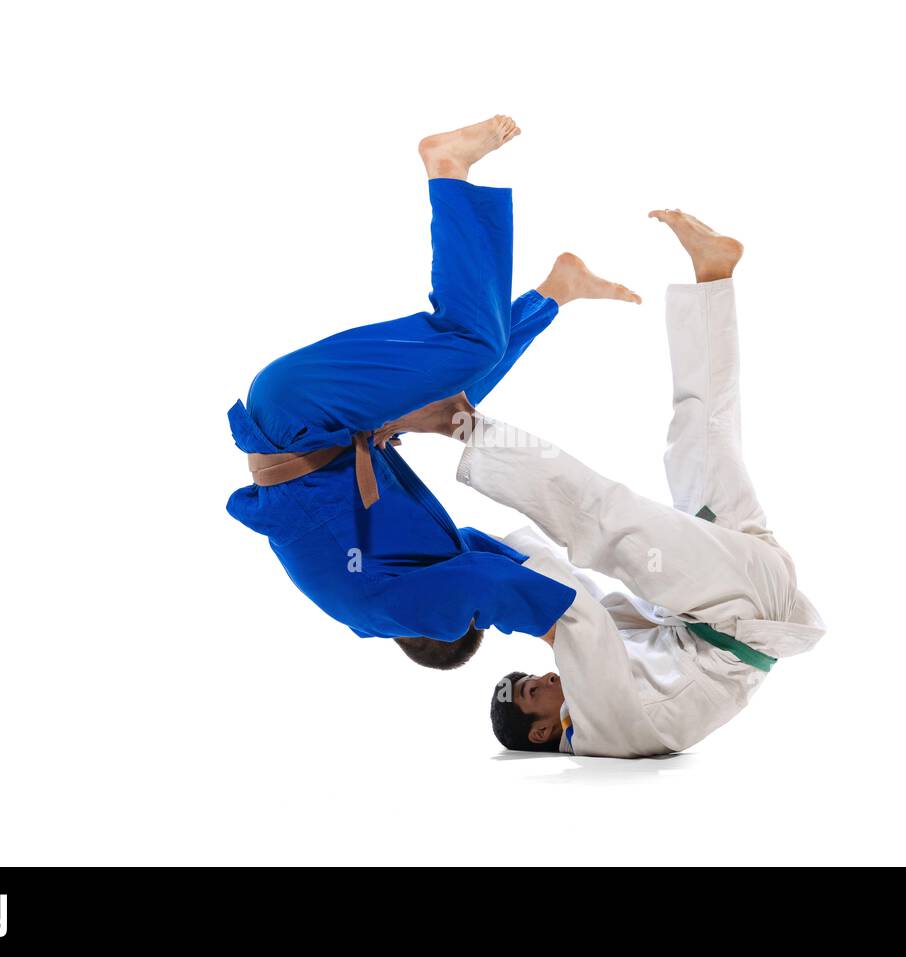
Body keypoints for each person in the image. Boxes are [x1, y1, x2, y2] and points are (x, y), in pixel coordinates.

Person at [387, 208, 826, 755]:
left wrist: (455, 555)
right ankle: (459, 422)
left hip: (736, 597)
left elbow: (570, 585)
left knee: (701, 438)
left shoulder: (602, 694)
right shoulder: (600, 728)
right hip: (738, 612)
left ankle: (714, 276)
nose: (548, 679)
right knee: (607, 525)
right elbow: (576, 614)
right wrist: (443, 595)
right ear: (544, 730)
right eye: (532, 693)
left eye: (534, 678)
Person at [225, 115, 640, 669]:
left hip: (299, 417)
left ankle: (446, 167)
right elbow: (481, 553)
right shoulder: (392, 585)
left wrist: (569, 642)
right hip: (318, 424)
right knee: (459, 406)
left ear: (445, 624)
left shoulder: (398, 609)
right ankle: (556, 291)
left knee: (468, 342)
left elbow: (488, 584)